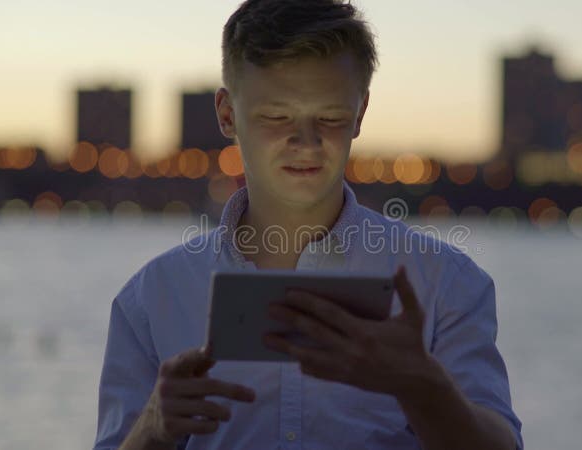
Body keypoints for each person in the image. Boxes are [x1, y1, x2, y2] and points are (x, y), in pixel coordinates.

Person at [93, 1, 523, 449]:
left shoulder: (446, 284)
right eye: (276, 117)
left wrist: (422, 386)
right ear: (227, 114)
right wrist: (152, 428)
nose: (306, 142)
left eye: (330, 118)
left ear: (360, 114)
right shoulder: (151, 298)